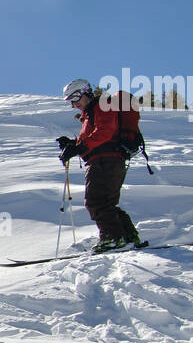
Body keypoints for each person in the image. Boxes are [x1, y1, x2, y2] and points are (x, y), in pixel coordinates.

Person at [56, 79, 143, 253]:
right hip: (108, 160)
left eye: (74, 99)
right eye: (70, 102)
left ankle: (112, 238)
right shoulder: (91, 113)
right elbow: (96, 136)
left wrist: (79, 147)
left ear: (84, 93)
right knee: (106, 202)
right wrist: (73, 144)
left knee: (96, 202)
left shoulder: (101, 107)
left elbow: (105, 132)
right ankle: (127, 236)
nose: (74, 105)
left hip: (105, 161)